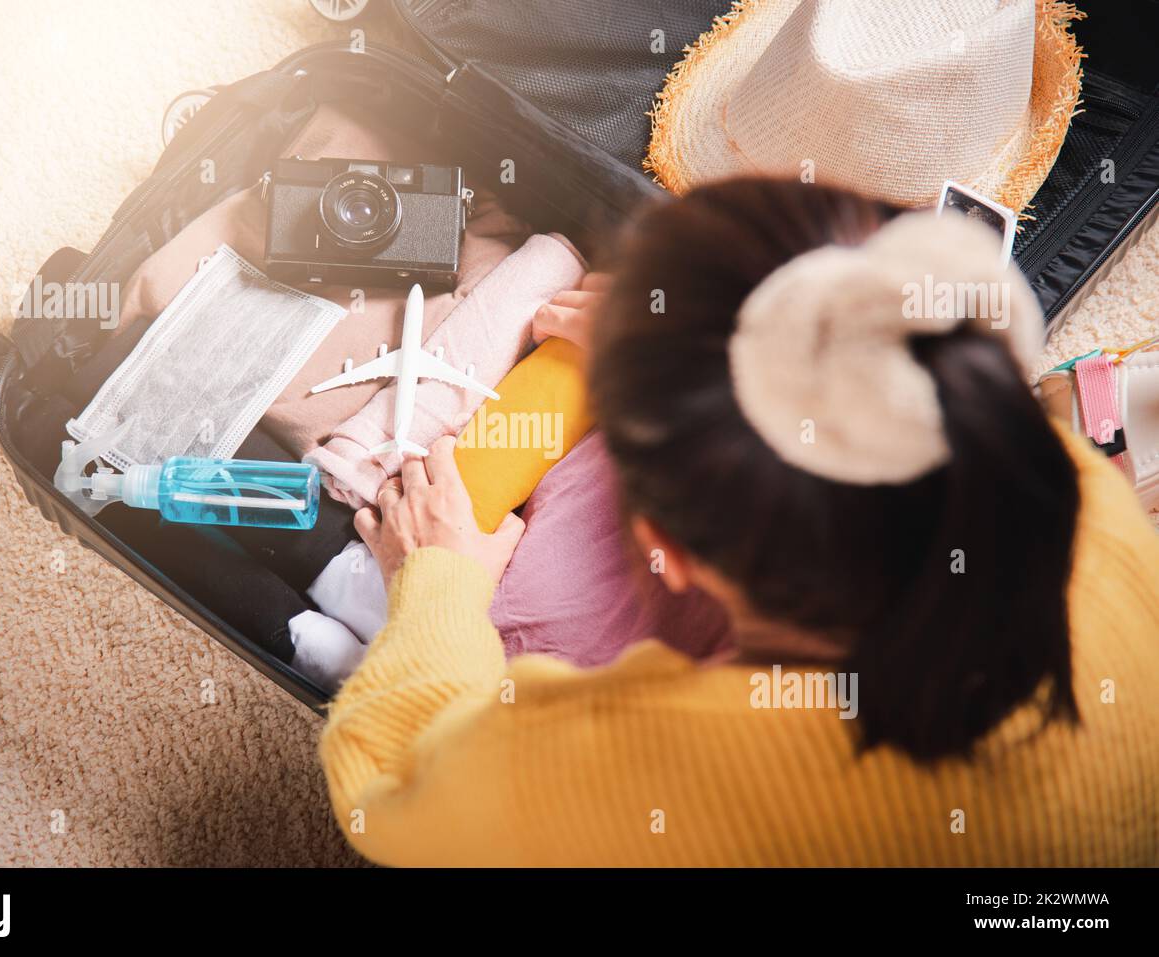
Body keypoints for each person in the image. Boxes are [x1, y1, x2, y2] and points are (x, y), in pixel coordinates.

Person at [319, 179, 1159, 866]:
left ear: (669, 555)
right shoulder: (1071, 494)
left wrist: (437, 582)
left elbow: (393, 797)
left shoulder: (661, 762)